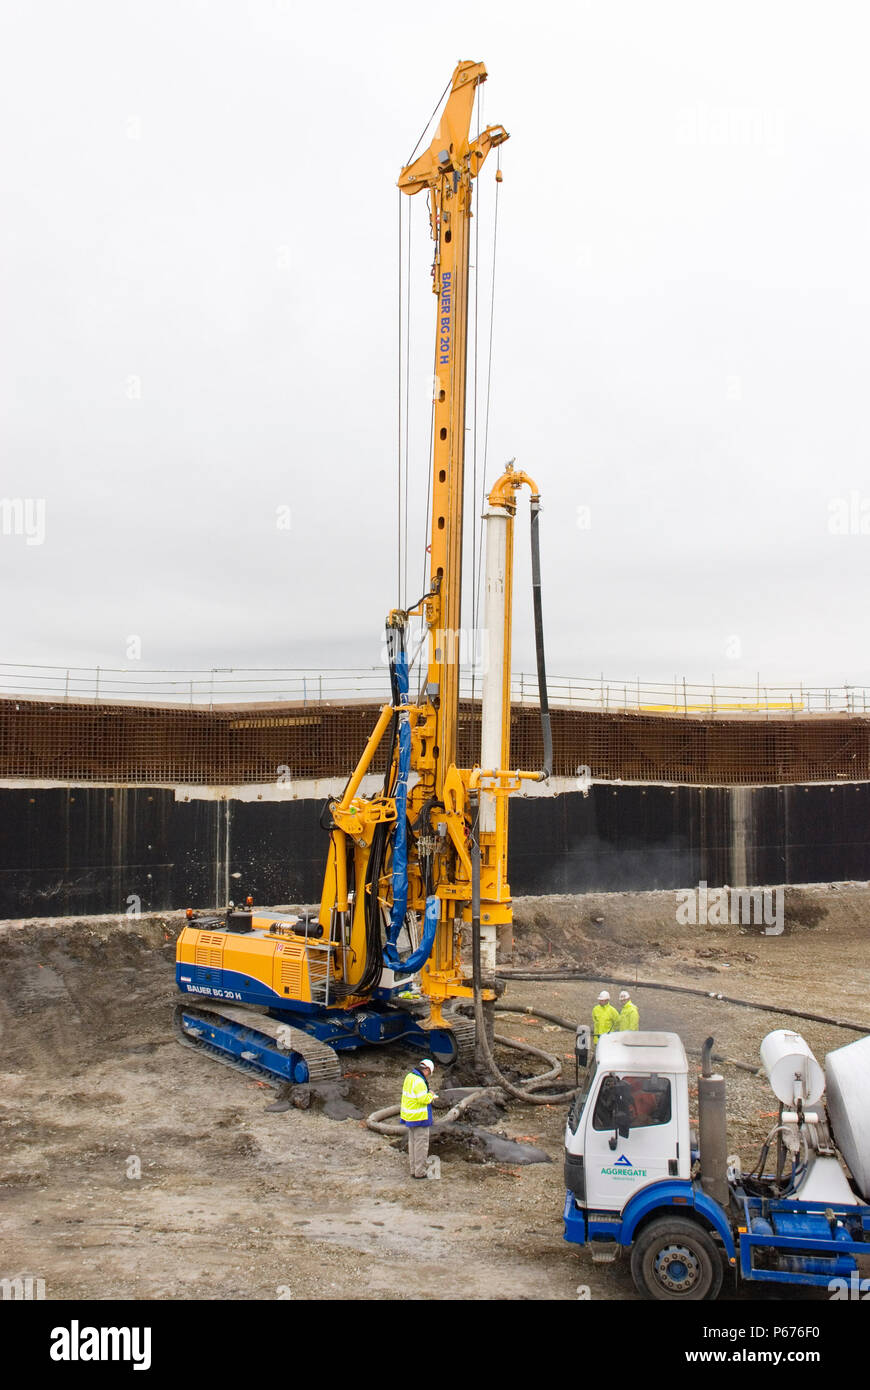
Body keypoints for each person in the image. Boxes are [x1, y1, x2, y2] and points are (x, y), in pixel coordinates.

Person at [400, 1057, 437, 1178]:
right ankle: (420, 1172)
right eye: (429, 1073)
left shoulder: (409, 1077)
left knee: (412, 1143)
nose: (428, 1076)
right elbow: (423, 1099)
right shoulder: (420, 1082)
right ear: (426, 1070)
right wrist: (430, 1095)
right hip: (419, 1117)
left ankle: (413, 1170)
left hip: (410, 1116)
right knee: (421, 1145)